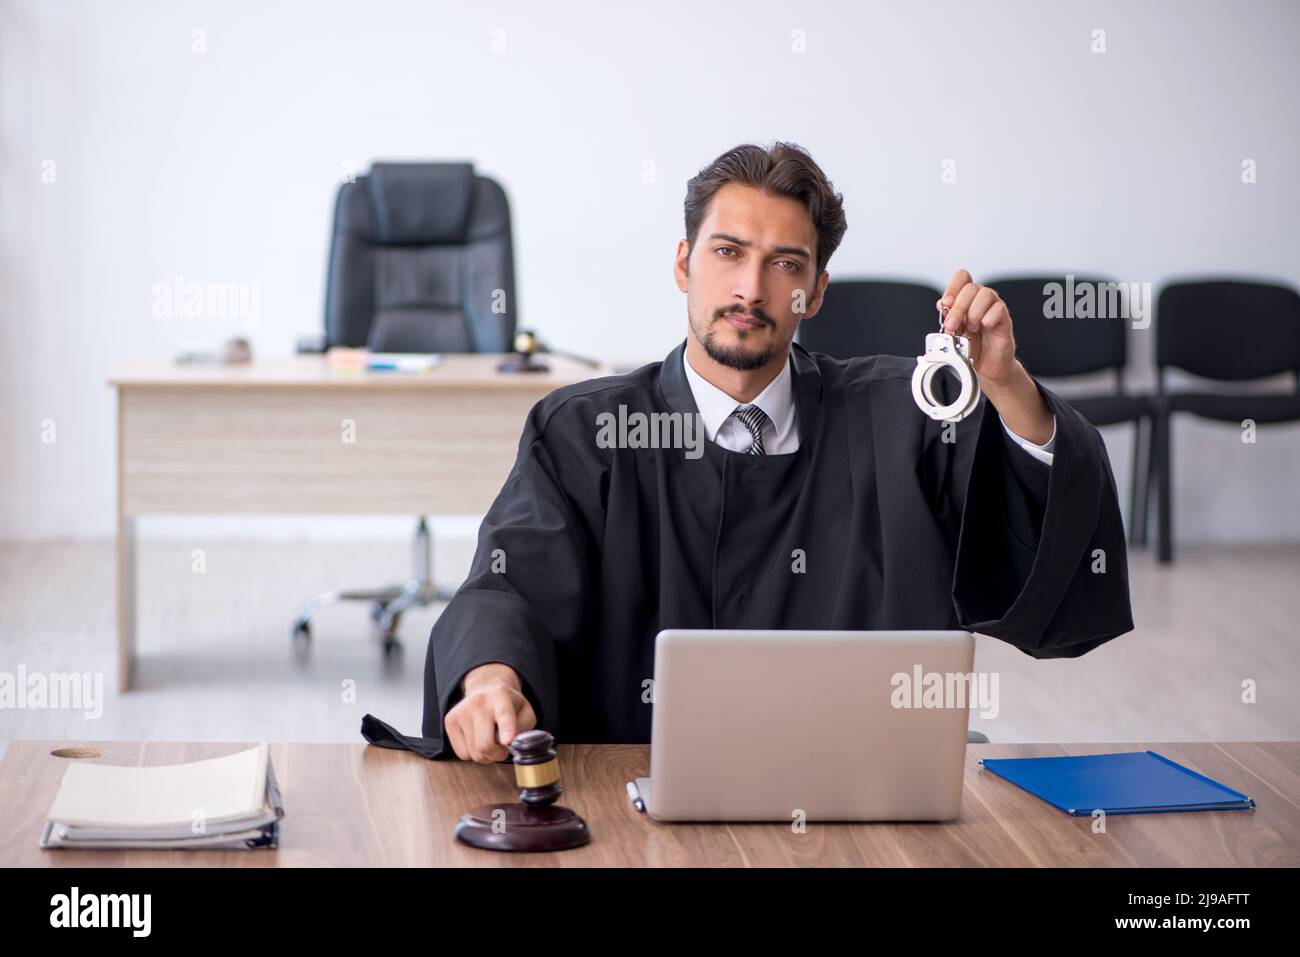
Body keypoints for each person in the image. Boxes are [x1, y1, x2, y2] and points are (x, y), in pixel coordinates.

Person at [367, 141, 1134, 763]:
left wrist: (1007, 386)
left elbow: (1040, 521)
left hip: (865, 808)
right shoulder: (582, 431)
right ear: (682, 264)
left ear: (818, 291)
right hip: (627, 812)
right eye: (728, 251)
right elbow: (507, 587)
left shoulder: (904, 419)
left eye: (786, 264)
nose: (752, 287)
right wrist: (491, 676)